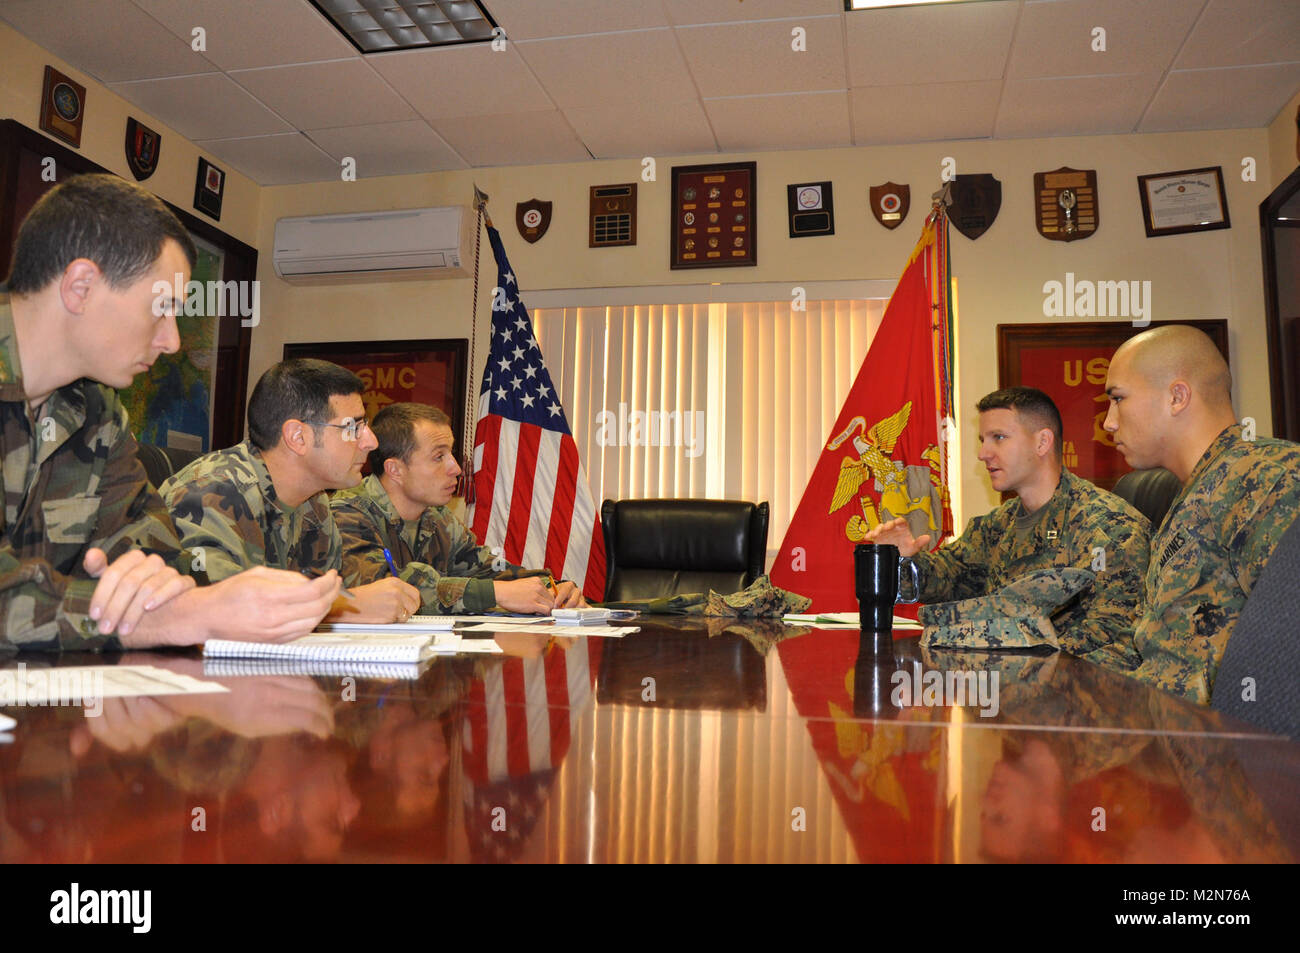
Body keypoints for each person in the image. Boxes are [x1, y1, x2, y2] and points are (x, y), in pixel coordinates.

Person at [0, 173, 338, 652]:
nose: (173, 340)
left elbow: (159, 553)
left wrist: (157, 592)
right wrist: (175, 618)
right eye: (161, 308)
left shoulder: (98, 414)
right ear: (80, 286)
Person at [866, 386, 1149, 670]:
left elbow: (1117, 639)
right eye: (983, 440)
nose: (982, 453)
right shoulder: (999, 524)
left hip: (1068, 697)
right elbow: (950, 574)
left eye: (998, 438)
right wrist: (899, 559)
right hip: (1002, 692)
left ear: (1042, 443)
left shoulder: (1107, 527)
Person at [1103, 324, 1300, 704]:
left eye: (1118, 398)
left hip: (1231, 750)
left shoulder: (1263, 477)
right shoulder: (1201, 488)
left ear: (1177, 397)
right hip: (1168, 734)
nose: (1109, 421)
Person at [160, 360, 421, 623]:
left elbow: (319, 590)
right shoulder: (211, 492)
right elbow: (211, 607)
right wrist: (341, 607)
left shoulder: (313, 504)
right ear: (298, 437)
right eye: (353, 428)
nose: (371, 441)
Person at [330, 402, 584, 615]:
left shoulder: (437, 517)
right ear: (395, 469)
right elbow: (383, 594)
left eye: (450, 454)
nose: (456, 469)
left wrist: (550, 586)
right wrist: (494, 593)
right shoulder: (347, 513)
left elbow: (486, 568)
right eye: (438, 457)